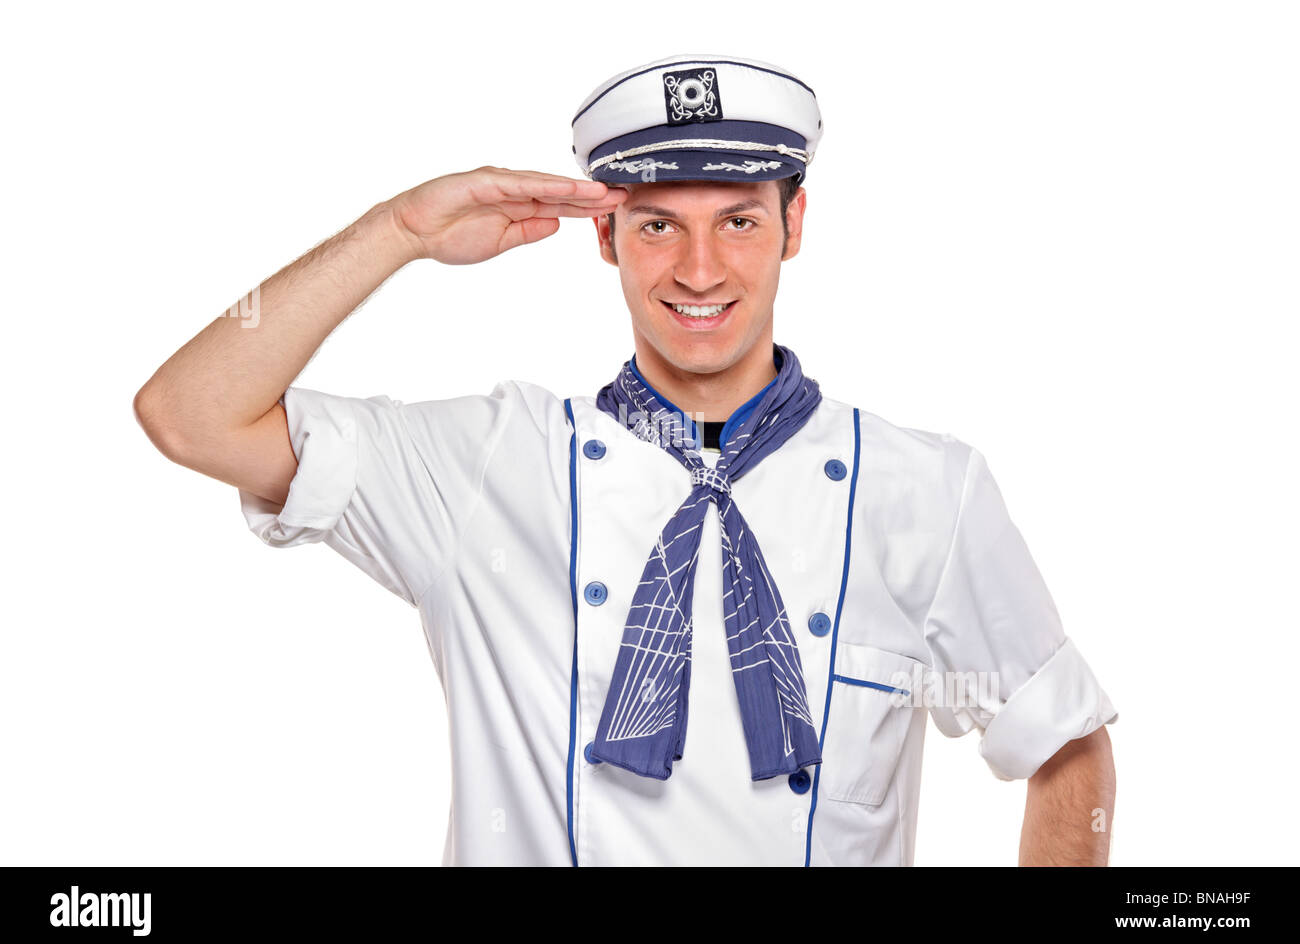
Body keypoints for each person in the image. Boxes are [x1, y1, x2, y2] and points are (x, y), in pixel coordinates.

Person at [133, 53, 1118, 866]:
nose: (698, 269)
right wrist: (399, 233)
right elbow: (189, 414)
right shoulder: (487, 469)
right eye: (657, 224)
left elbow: (1063, 741)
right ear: (603, 235)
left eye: (737, 218)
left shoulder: (925, 490)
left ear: (794, 225)